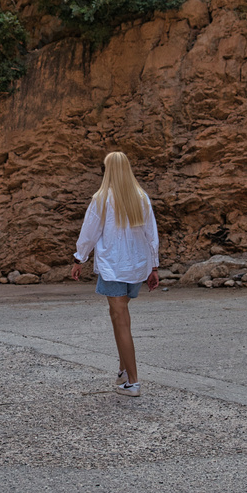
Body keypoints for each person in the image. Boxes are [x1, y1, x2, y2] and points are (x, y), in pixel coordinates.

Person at [71, 151, 159, 396]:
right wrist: (154, 266)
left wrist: (79, 259)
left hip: (114, 267)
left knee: (120, 320)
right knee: (120, 316)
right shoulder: (141, 197)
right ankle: (122, 370)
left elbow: (89, 232)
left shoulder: (102, 199)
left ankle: (133, 381)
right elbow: (151, 234)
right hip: (137, 267)